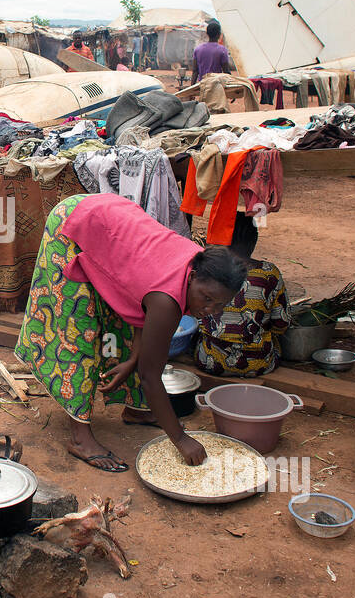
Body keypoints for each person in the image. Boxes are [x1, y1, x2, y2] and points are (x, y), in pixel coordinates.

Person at [16, 193, 247, 472]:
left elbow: (139, 301)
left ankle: (136, 409)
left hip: (108, 224)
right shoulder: (168, 300)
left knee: (122, 328)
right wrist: (181, 439)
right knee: (80, 332)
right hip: (73, 226)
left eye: (219, 305)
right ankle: (80, 437)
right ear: (194, 276)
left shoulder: (194, 273)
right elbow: (151, 376)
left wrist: (132, 359)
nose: (209, 309)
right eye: (206, 298)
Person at [194, 213, 289, 376]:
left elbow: (196, 315)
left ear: (223, 240)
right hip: (259, 364)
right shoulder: (269, 274)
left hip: (210, 361)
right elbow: (282, 323)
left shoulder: (209, 270)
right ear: (254, 241)